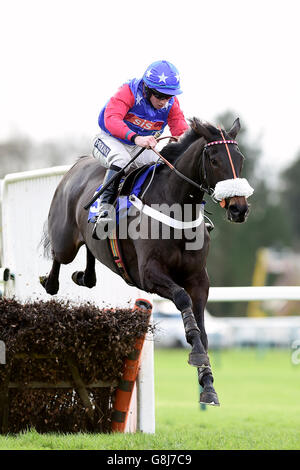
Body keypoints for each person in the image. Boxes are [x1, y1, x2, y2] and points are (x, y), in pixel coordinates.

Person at [92, 60, 189, 239]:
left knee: (161, 167)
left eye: (169, 96)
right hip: (110, 139)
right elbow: (111, 119)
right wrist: (136, 137)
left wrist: (184, 140)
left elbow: (181, 129)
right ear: (147, 89)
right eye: (160, 96)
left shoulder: (170, 103)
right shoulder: (128, 91)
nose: (164, 101)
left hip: (140, 145)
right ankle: (104, 212)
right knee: (120, 160)